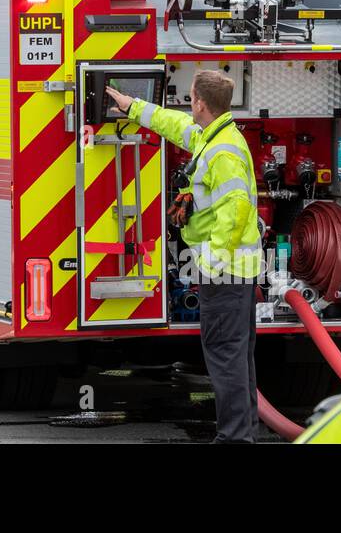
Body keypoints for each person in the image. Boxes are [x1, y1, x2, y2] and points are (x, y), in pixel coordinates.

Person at [106, 70, 261, 443]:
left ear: (200, 103)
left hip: (224, 273)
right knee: (237, 358)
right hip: (236, 272)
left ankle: (235, 439)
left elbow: (236, 210)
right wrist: (133, 107)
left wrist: (210, 264)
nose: (187, 104)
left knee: (225, 358)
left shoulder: (221, 150)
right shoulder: (216, 136)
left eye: (190, 98)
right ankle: (243, 434)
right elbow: (175, 125)